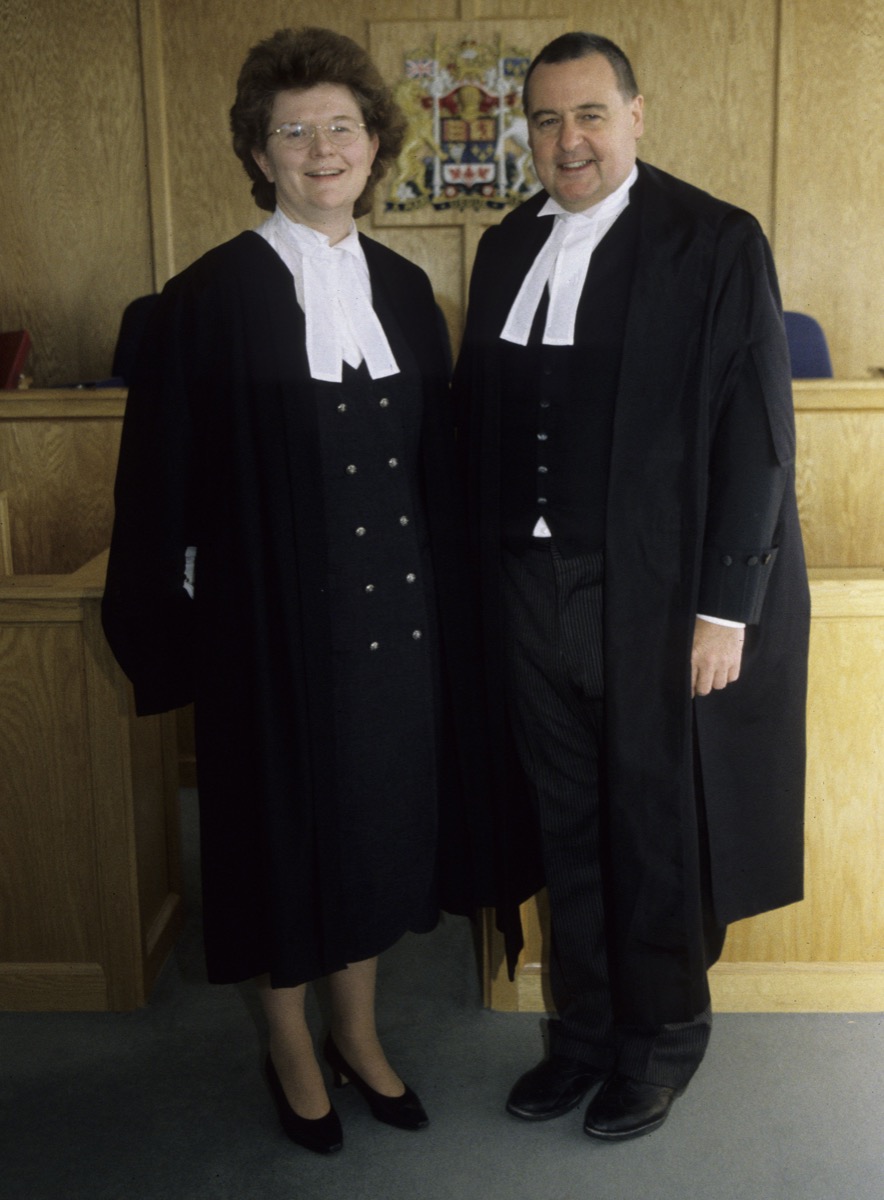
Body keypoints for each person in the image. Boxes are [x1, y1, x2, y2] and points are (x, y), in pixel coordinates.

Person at [102, 26, 487, 1156]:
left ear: (374, 144)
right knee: (277, 844)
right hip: (265, 635)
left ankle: (360, 1036)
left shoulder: (410, 293)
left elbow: (437, 474)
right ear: (258, 154)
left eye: (341, 127)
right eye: (293, 130)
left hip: (392, 631)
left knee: (371, 839)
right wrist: (172, 640)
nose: (321, 148)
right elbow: (156, 490)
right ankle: (289, 1046)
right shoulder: (204, 300)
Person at [453, 32, 809, 1141]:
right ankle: (580, 1036)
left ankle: (658, 1042)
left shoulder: (710, 240)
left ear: (635, 116)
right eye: (547, 121)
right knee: (564, 819)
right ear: (527, 132)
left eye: (589, 115)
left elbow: (755, 435)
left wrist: (725, 607)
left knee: (649, 821)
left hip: (650, 592)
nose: (569, 141)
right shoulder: (509, 244)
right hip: (526, 585)